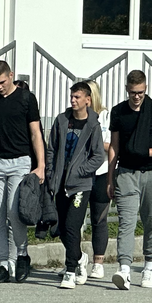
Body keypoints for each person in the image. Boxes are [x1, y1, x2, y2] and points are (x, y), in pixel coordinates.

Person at [0, 60, 43, 284]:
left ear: (11, 75)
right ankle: (2, 264)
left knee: (14, 212)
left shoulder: (26, 98)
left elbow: (35, 133)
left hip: (20, 162)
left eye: (2, 82)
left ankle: (21, 256)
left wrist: (40, 165)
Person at [108, 69, 152, 290]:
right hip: (126, 172)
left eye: (141, 92)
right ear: (127, 89)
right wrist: (110, 177)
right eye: (134, 92)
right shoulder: (118, 112)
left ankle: (149, 267)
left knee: (151, 220)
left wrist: (145, 152)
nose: (137, 97)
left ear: (146, 89)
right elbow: (114, 147)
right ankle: (124, 269)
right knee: (126, 221)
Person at [46, 82, 106, 289]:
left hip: (81, 184)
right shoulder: (62, 121)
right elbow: (51, 149)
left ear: (87, 100)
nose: (73, 100)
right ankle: (80, 257)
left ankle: (70, 270)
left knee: (72, 225)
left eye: (77, 97)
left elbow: (98, 156)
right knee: (61, 227)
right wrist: (51, 174)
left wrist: (80, 171)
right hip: (60, 183)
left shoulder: (93, 125)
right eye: (72, 97)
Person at [84, 80, 111, 280]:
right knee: (72, 220)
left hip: (101, 172)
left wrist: (95, 141)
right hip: (80, 174)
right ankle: (74, 259)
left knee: (99, 219)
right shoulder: (75, 116)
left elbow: (111, 145)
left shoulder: (105, 116)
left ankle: (98, 262)